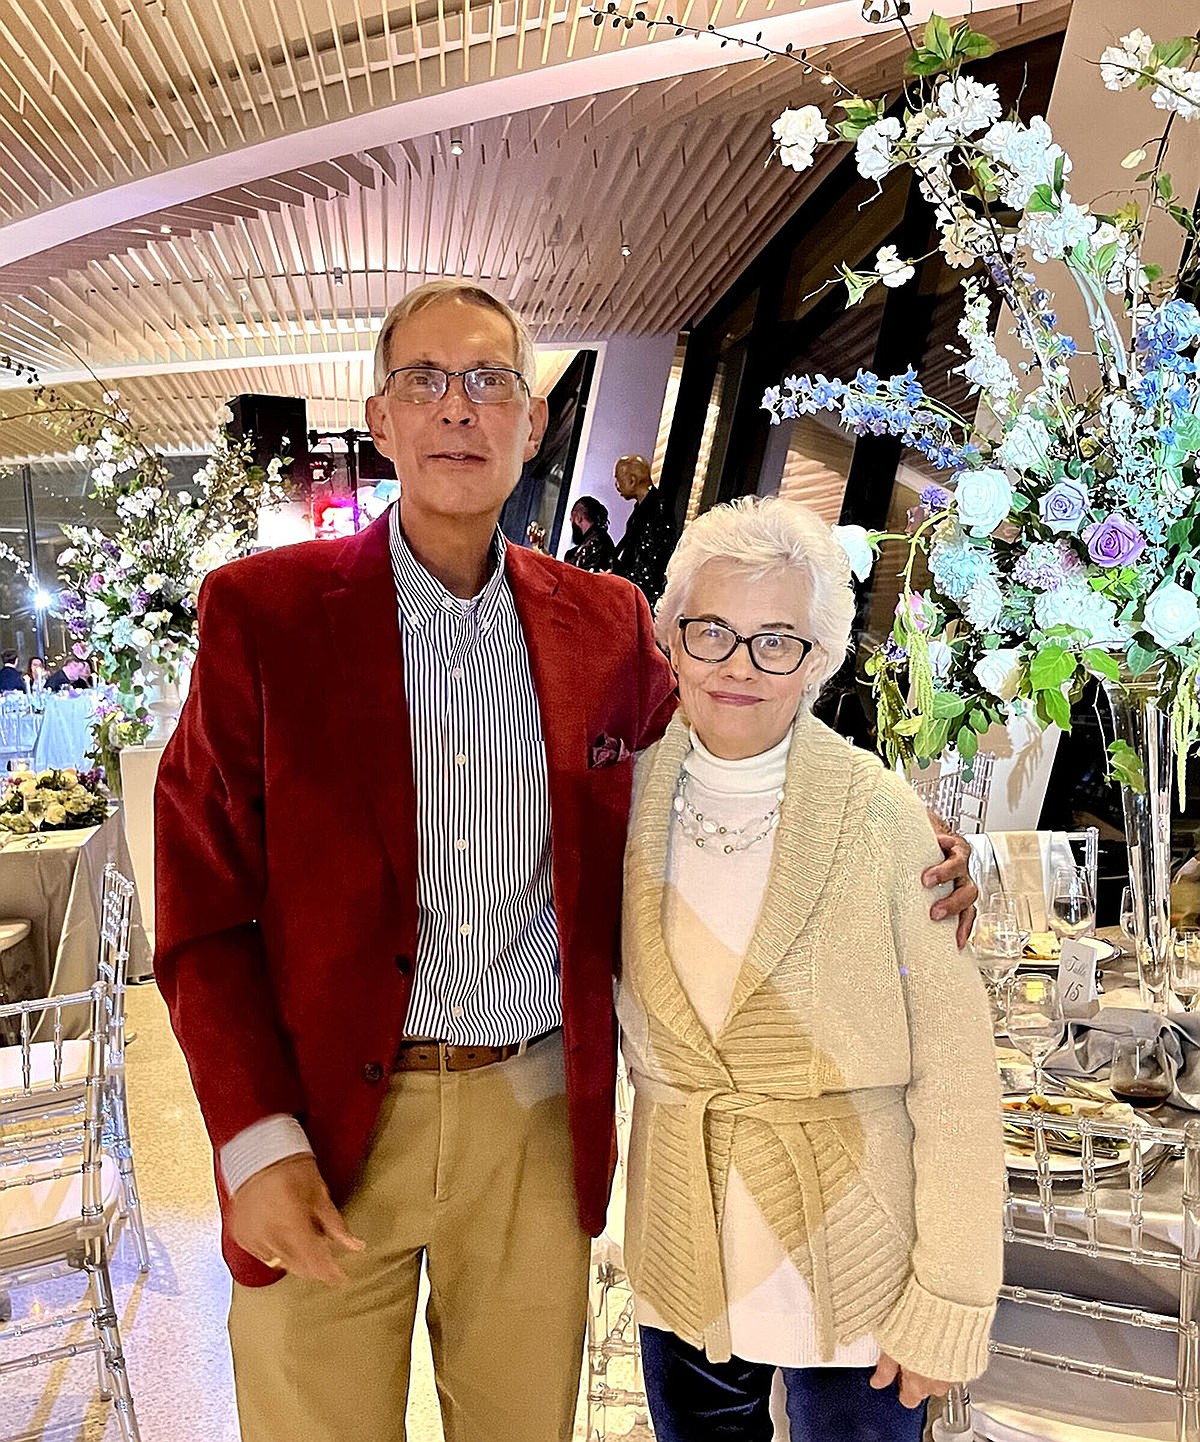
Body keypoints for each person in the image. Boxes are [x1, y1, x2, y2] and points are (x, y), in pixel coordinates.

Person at [154, 280, 980, 1442]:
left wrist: (915, 830)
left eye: (489, 379)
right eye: (424, 380)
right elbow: (202, 903)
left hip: (534, 1112)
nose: (458, 407)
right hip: (326, 1115)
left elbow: (730, 741)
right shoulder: (263, 613)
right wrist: (252, 1140)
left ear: (531, 422)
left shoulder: (604, 621)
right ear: (381, 419)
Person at [617, 496, 1004, 1442]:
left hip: (858, 1253)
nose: (739, 666)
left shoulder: (881, 818)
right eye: (712, 632)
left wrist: (951, 1296)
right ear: (670, 636)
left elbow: (956, 1075)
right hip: (686, 1241)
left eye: (776, 641)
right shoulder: (619, 800)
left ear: (820, 660)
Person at [612, 453, 674, 607]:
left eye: (618, 478)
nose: (616, 484)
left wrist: (620, 580)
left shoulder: (657, 510)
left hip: (642, 599)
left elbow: (650, 563)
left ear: (632, 480)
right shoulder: (644, 508)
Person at [564, 495, 617, 573]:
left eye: (571, 518)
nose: (571, 521)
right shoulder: (601, 540)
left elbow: (579, 577)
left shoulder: (596, 543)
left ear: (578, 518)